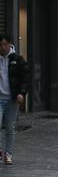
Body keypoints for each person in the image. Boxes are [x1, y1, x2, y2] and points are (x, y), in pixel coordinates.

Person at [0, 35, 30, 166]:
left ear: (9, 44)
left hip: (12, 99)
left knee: (10, 127)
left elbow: (25, 78)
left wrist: (21, 93)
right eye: (0, 45)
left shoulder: (18, 59)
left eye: (5, 44)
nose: (2, 47)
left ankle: (8, 154)